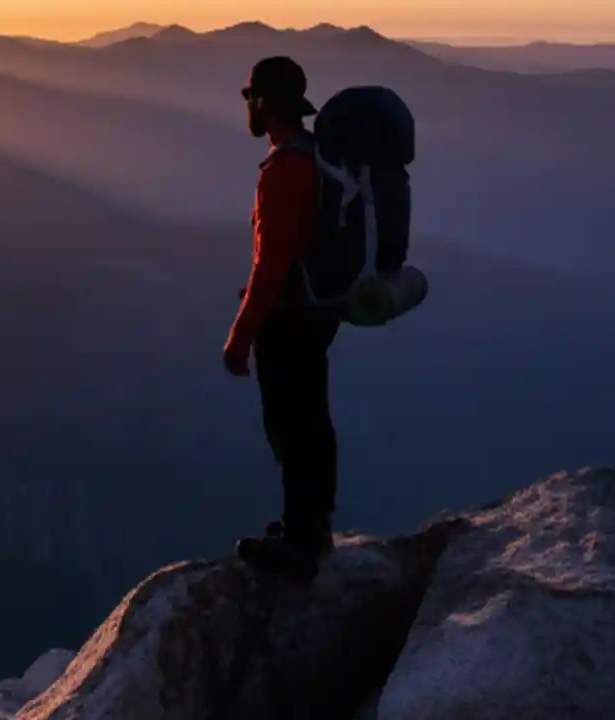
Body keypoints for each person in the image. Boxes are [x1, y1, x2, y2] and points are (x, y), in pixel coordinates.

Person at [224, 57, 340, 581]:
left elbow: (269, 266)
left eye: (251, 98)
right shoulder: (317, 158)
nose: (248, 107)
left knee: (289, 422)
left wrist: (240, 336)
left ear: (265, 104)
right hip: (319, 309)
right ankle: (313, 525)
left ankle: (301, 543)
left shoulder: (282, 171)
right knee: (312, 416)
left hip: (288, 313)